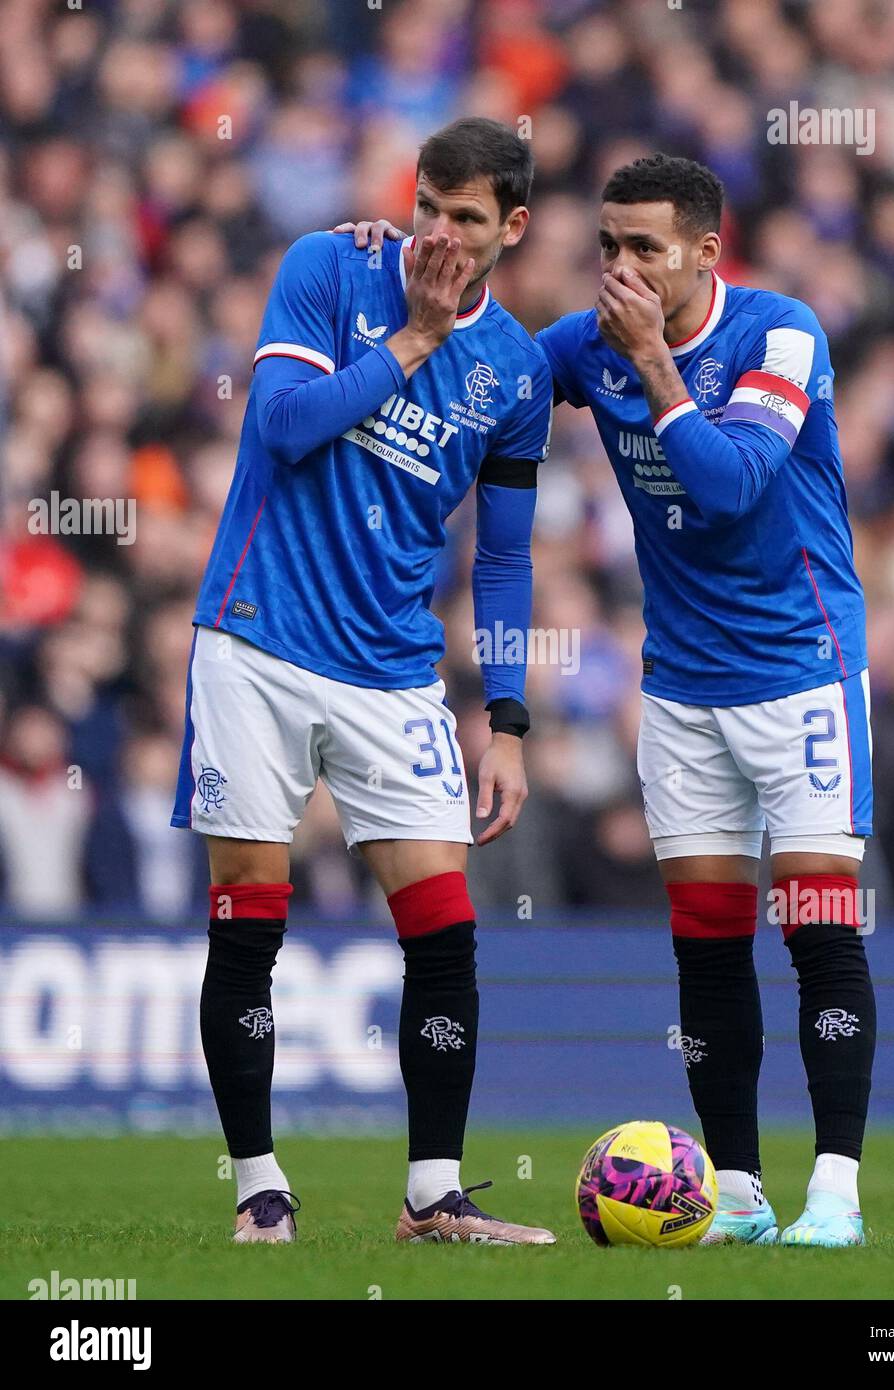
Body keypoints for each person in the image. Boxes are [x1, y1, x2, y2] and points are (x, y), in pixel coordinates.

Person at [343, 152, 876, 1249]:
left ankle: (837, 1194)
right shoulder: (584, 345)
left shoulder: (781, 336)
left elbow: (728, 490)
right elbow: (488, 374)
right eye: (610, 246)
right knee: (709, 948)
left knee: (818, 933)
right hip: (680, 689)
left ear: (704, 252)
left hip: (803, 671)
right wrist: (398, 277)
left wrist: (653, 367)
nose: (623, 267)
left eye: (647, 247)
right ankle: (737, 1190)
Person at [172, 117, 555, 1246]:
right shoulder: (326, 267)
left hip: (392, 670)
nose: (439, 231)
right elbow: (283, 429)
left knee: (442, 934)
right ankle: (258, 1188)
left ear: (512, 229)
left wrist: (511, 718)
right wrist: (412, 341)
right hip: (258, 638)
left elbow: (502, 554)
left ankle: (433, 1191)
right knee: (249, 922)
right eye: (429, 205)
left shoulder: (520, 371)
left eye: (467, 218)